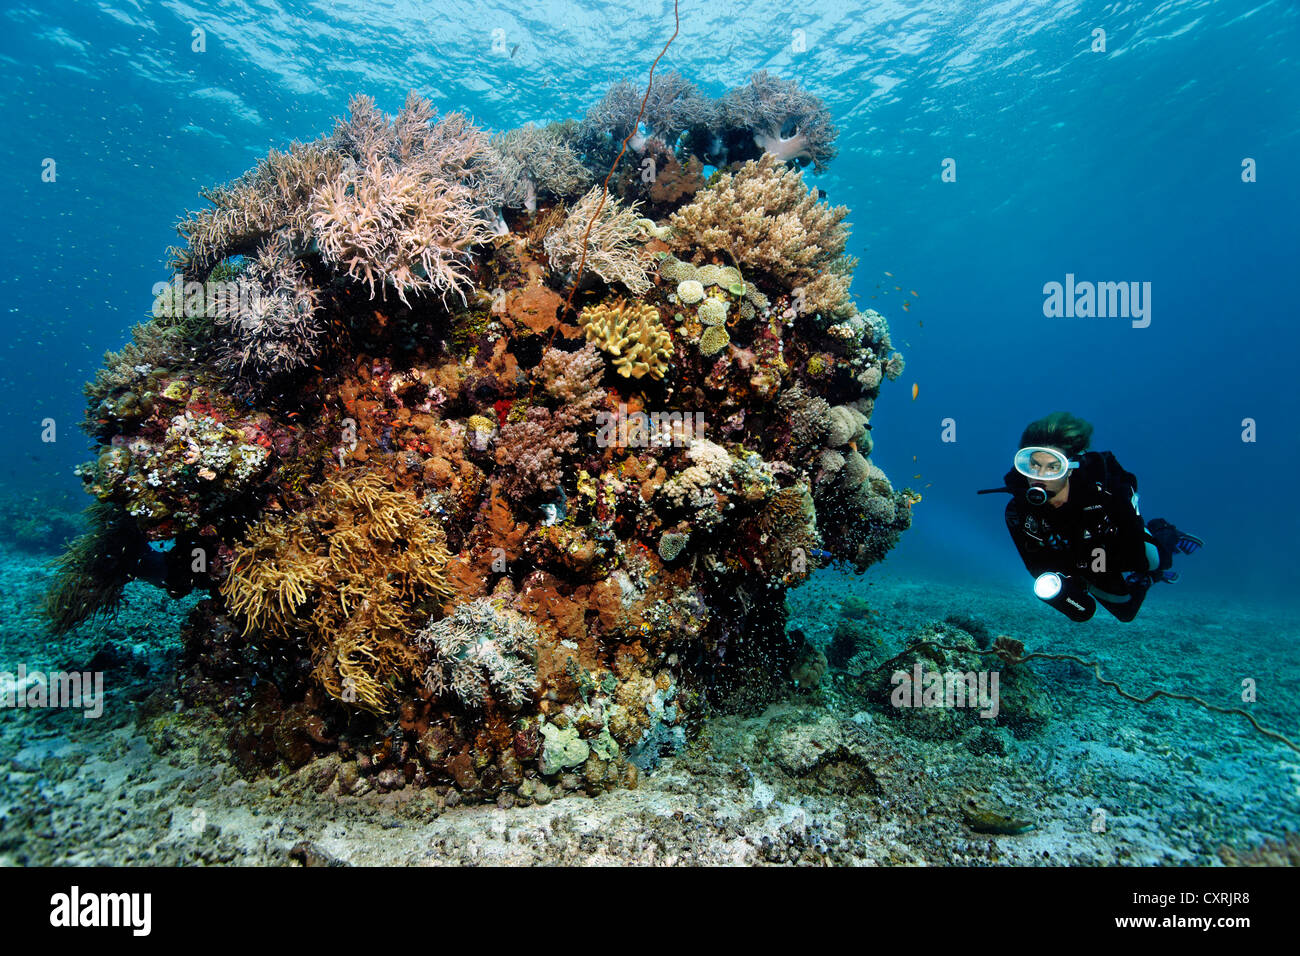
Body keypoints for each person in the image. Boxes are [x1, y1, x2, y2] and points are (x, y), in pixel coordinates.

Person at [991, 412, 1202, 622]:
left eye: (1053, 467)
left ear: (1070, 469)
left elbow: (1134, 546)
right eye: (1033, 465)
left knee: (1157, 561)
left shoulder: (1105, 494)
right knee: (1125, 613)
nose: (1039, 476)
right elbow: (1035, 565)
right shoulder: (1017, 511)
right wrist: (1071, 582)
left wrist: (1100, 561)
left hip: (1116, 544)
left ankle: (1163, 531)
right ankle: (1143, 581)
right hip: (1082, 559)